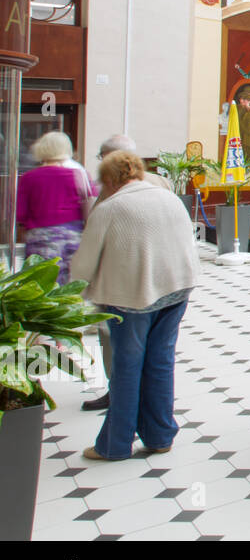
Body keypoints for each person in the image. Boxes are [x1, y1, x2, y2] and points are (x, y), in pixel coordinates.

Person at [70, 151, 200, 461]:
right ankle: (160, 435)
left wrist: (74, 290)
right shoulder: (168, 197)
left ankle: (114, 445)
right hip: (177, 290)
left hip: (132, 299)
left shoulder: (111, 207)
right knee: (160, 361)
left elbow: (84, 264)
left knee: (127, 369)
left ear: (110, 180)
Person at [80, 135, 170, 413]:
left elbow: (97, 239)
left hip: (125, 285)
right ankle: (153, 415)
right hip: (166, 282)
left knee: (120, 349)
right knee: (158, 354)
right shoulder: (161, 182)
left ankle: (121, 403)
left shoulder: (113, 190)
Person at [16, 131, 95, 285]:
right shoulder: (79, 175)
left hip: (40, 238)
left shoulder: (29, 178)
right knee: (69, 287)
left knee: (42, 286)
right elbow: (90, 208)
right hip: (72, 237)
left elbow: (21, 214)